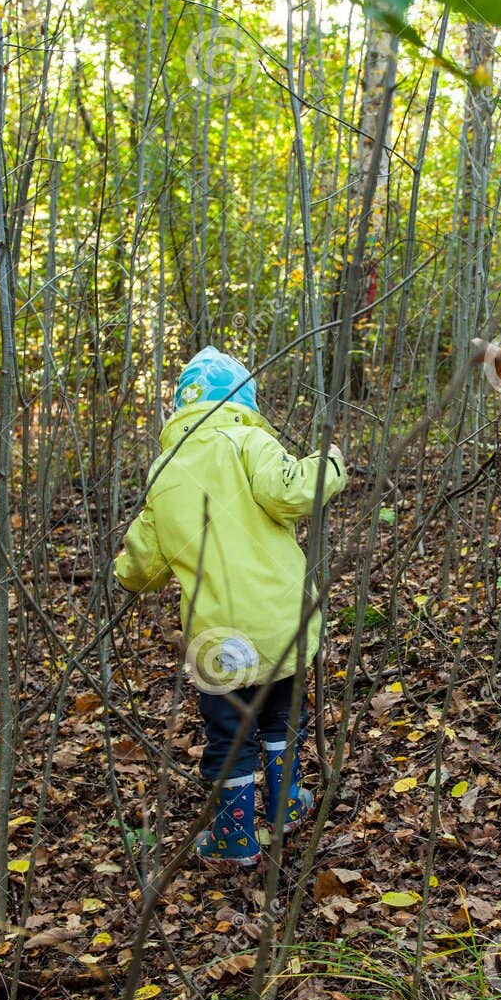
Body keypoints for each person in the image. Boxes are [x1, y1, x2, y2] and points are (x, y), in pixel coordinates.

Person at [114, 346, 346, 867]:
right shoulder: (249, 440)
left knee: (228, 732)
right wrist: (328, 461)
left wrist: (120, 571)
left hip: (218, 636)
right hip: (280, 621)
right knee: (284, 715)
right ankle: (286, 806)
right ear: (244, 398)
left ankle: (235, 839)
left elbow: (144, 566)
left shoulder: (165, 469)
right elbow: (291, 492)